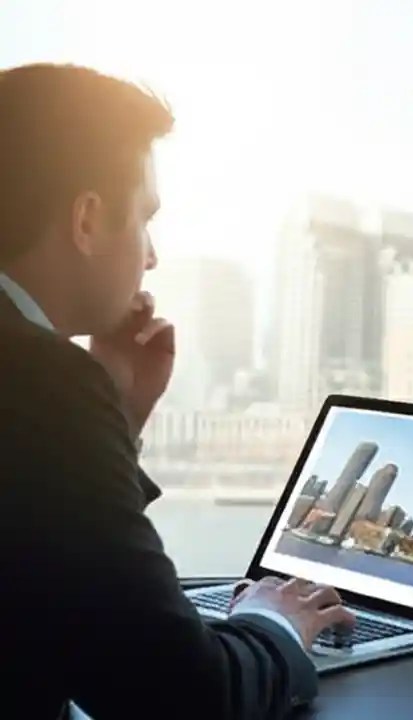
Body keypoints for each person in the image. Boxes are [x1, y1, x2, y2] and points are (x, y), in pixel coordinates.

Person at [0, 63, 356, 719]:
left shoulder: (42, 386)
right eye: (144, 218)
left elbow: (44, 571)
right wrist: (273, 625)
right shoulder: (41, 383)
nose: (152, 255)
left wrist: (115, 410)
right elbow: (183, 697)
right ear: (86, 220)